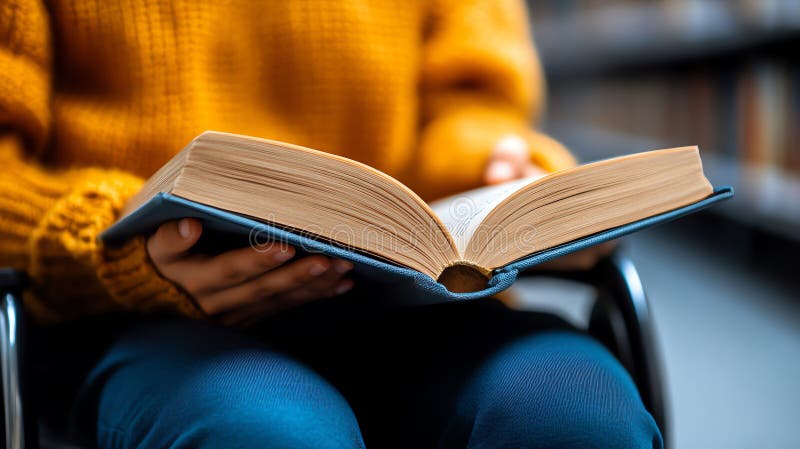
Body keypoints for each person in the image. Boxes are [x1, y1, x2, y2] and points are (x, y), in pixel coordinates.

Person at [0, 0, 662, 448]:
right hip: (145, 317)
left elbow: (470, 101)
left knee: (576, 415)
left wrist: (500, 169)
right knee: (264, 431)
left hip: (407, 305)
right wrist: (110, 238)